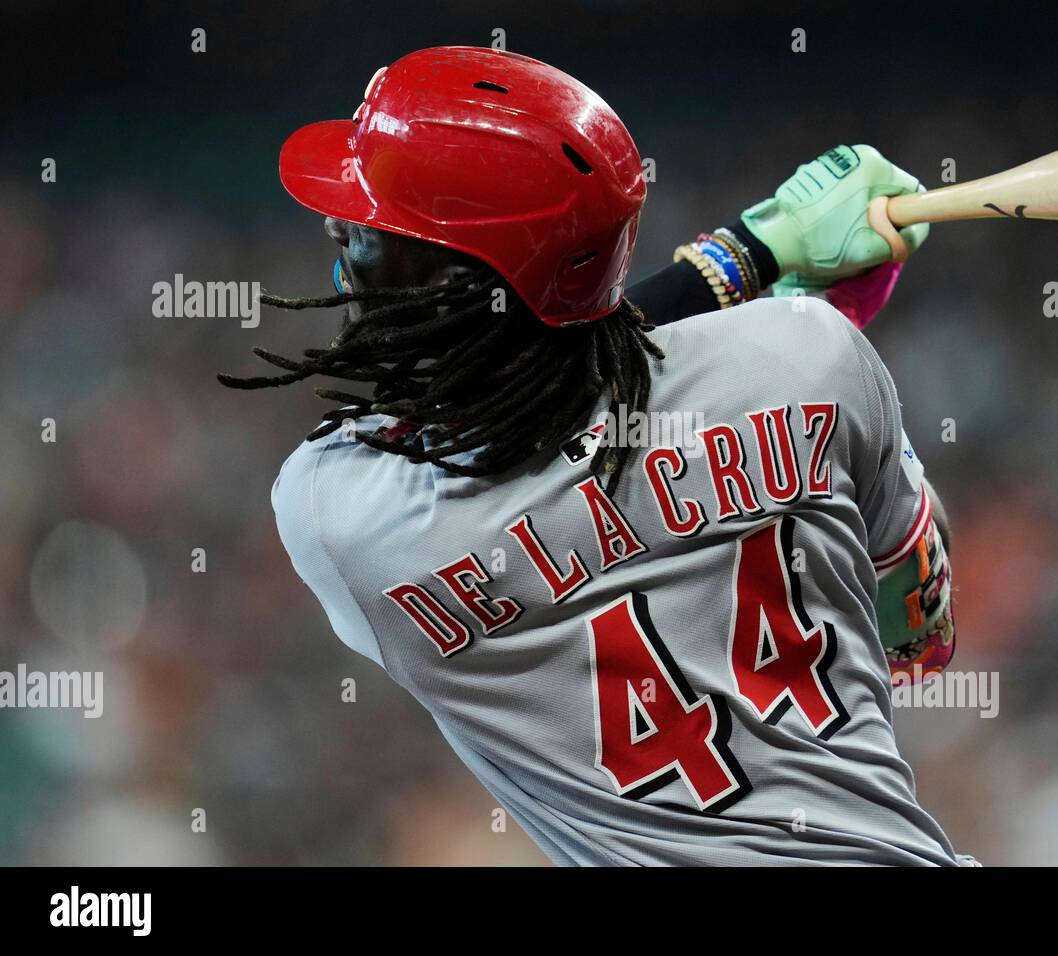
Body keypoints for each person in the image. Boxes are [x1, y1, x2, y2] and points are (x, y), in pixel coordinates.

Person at [223, 46, 964, 865]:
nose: (339, 225)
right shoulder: (804, 352)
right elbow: (919, 644)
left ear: (457, 287)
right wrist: (772, 284)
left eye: (374, 226)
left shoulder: (345, 517)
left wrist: (750, 252)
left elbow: (510, 392)